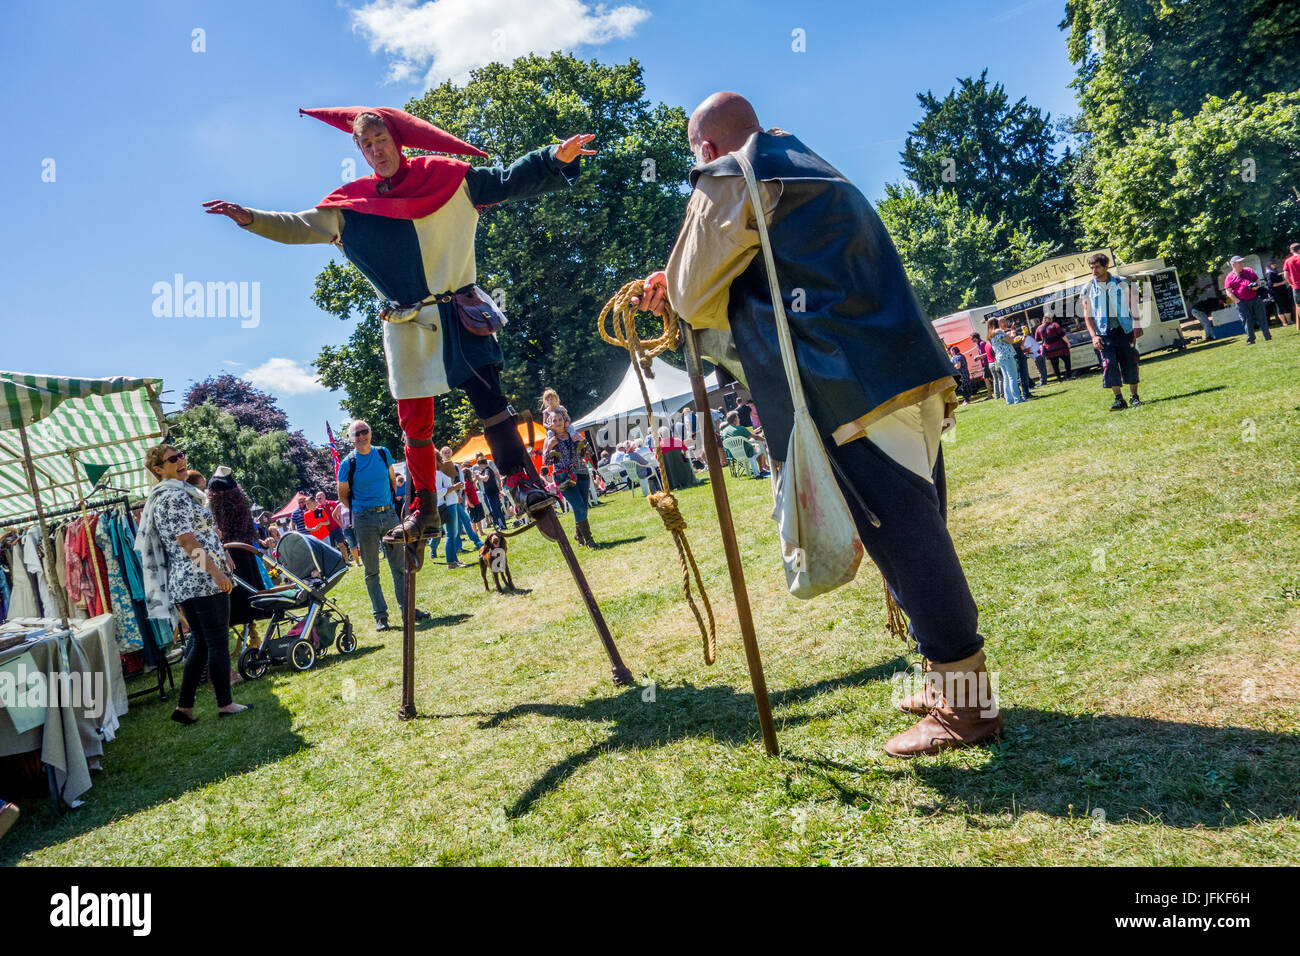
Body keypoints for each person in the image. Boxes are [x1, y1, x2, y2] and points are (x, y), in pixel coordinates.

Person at [635, 91, 1001, 757]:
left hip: (847, 392)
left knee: (910, 545)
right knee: (915, 536)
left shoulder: (730, 173)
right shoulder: (812, 166)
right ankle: (948, 685)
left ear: (707, 147)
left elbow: (690, 291)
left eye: (695, 154)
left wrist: (681, 270)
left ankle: (968, 711)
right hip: (901, 372)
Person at [206, 107, 597, 544]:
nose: (376, 150)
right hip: (406, 322)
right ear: (360, 150)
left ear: (397, 140)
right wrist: (250, 218)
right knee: (415, 425)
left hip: (461, 311)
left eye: (381, 140)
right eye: (366, 145)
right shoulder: (350, 205)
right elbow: (300, 225)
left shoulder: (450, 177)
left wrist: (553, 157)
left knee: (492, 402)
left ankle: (519, 482)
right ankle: (423, 509)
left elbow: (508, 179)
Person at [136, 444, 249, 723]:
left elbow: (202, 532)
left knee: (200, 641)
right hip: (199, 579)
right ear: (158, 470)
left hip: (189, 580)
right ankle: (225, 703)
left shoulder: (176, 493)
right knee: (217, 641)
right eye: (172, 458)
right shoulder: (172, 496)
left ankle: (184, 708)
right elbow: (186, 540)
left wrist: (221, 552)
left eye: (182, 454)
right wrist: (216, 573)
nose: (181, 460)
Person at [336, 420, 425, 630]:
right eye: (356, 434)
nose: (361, 436)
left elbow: (393, 481)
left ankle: (408, 610)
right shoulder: (348, 463)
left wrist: (387, 506)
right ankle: (381, 617)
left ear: (370, 432)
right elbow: (343, 495)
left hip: (389, 515)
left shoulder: (383, 453)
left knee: (400, 567)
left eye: (364, 431)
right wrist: (362, 509)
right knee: (372, 571)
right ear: (351, 439)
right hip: (364, 520)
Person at [1080, 253, 1143, 410]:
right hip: (1104, 333)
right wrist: (1093, 336)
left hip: (1125, 329)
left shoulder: (1121, 282)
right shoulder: (1087, 289)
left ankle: (1134, 397)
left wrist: (1137, 323)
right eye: (1092, 268)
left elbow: (1132, 304)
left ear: (1106, 266)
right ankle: (1119, 399)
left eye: (1097, 267)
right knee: (1109, 364)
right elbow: (1087, 316)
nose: (1094, 270)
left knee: (1130, 361)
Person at [435, 446, 482, 565]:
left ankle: (454, 559)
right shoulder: (437, 473)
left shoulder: (450, 468)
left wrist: (458, 489)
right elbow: (438, 492)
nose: (444, 457)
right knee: (451, 534)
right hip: (447, 505)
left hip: (453, 501)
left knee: (454, 532)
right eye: (441, 455)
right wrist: (454, 487)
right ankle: (451, 561)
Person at [1224, 255, 1271, 345]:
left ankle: (1267, 336)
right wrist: (1237, 301)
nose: (1242, 264)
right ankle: (1250, 339)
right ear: (1233, 265)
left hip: (1255, 299)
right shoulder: (1229, 277)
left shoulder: (1248, 270)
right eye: (1239, 262)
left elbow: (1258, 280)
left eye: (1242, 262)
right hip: (1242, 302)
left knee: (1262, 318)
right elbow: (1228, 292)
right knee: (1247, 320)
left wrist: (1256, 286)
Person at [986, 319, 1024, 404]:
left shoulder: (990, 335)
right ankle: (1017, 398)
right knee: (1013, 377)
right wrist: (1013, 335)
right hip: (1007, 356)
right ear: (996, 323)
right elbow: (1010, 341)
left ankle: (1009, 399)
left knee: (1006, 379)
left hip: (999, 358)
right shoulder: (999, 331)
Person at [722, 410, 769, 477]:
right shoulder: (740, 428)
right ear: (735, 419)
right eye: (738, 417)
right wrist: (765, 440)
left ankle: (760, 469)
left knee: (756, 446)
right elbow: (755, 437)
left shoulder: (724, 431)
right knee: (760, 446)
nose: (739, 419)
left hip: (734, 455)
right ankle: (763, 469)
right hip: (747, 452)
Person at [473, 452, 507, 531]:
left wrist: (479, 476)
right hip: (488, 493)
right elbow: (477, 478)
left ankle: (502, 525)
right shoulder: (484, 470)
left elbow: (486, 478)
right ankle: (498, 525)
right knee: (492, 510)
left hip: (493, 492)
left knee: (496, 509)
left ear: (481, 464)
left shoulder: (488, 469)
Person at [1036, 314, 1072, 381]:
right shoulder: (1054, 325)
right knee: (1067, 361)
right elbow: (1062, 335)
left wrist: (1043, 345)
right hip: (1061, 347)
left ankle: (1059, 378)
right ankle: (1069, 376)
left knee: (1055, 365)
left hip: (1049, 350)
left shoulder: (1039, 328)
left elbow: (1037, 340)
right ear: (1050, 318)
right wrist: (1068, 342)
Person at [1264, 260, 1293, 326]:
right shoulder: (1269, 273)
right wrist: (1283, 283)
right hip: (1276, 293)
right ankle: (1284, 322)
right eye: (1272, 264)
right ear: (1269, 266)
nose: (1274, 265)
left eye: (1274, 264)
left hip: (1283, 291)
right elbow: (1271, 284)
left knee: (1286, 306)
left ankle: (1289, 321)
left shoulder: (1275, 272)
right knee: (1280, 307)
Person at [1284, 242, 1300, 329]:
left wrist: (1291, 284)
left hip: (1296, 287)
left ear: (1291, 251)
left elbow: (1285, 275)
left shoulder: (1288, 261)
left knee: (1298, 305)